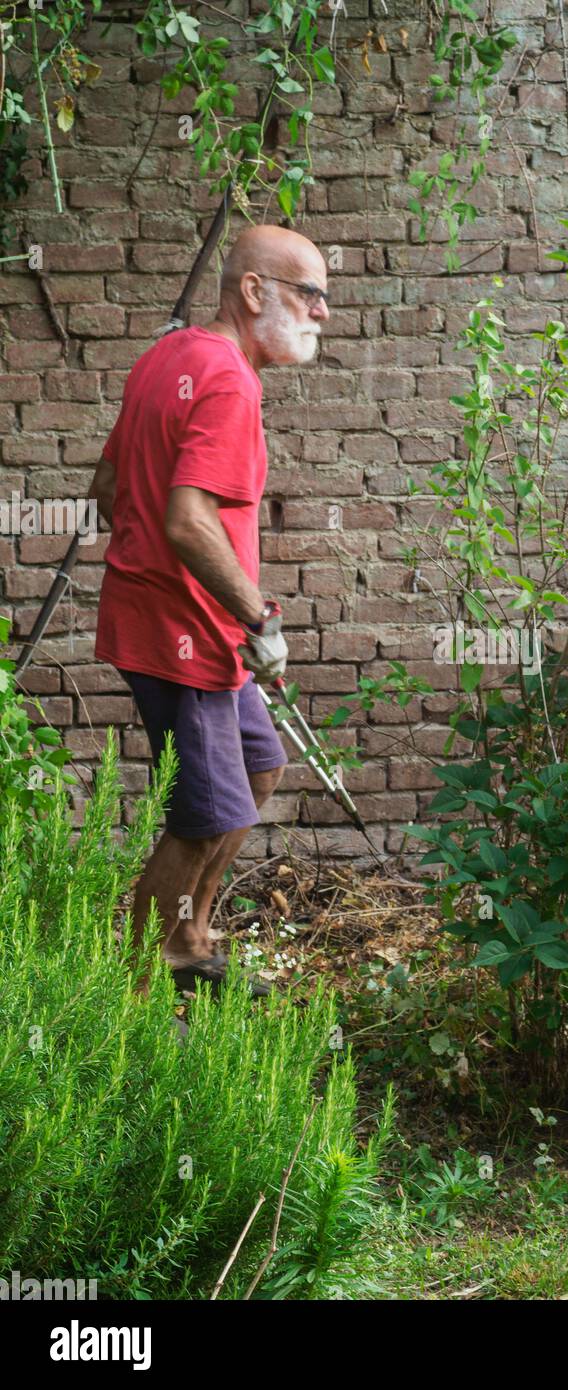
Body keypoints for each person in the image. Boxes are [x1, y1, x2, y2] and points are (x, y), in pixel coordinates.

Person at [87, 224, 330, 993]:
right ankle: (135, 991)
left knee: (259, 767)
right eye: (308, 293)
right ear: (252, 291)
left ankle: (189, 939)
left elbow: (106, 485)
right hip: (182, 635)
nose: (322, 312)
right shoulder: (226, 380)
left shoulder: (170, 355)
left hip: (191, 625)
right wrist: (259, 618)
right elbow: (187, 521)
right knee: (202, 813)